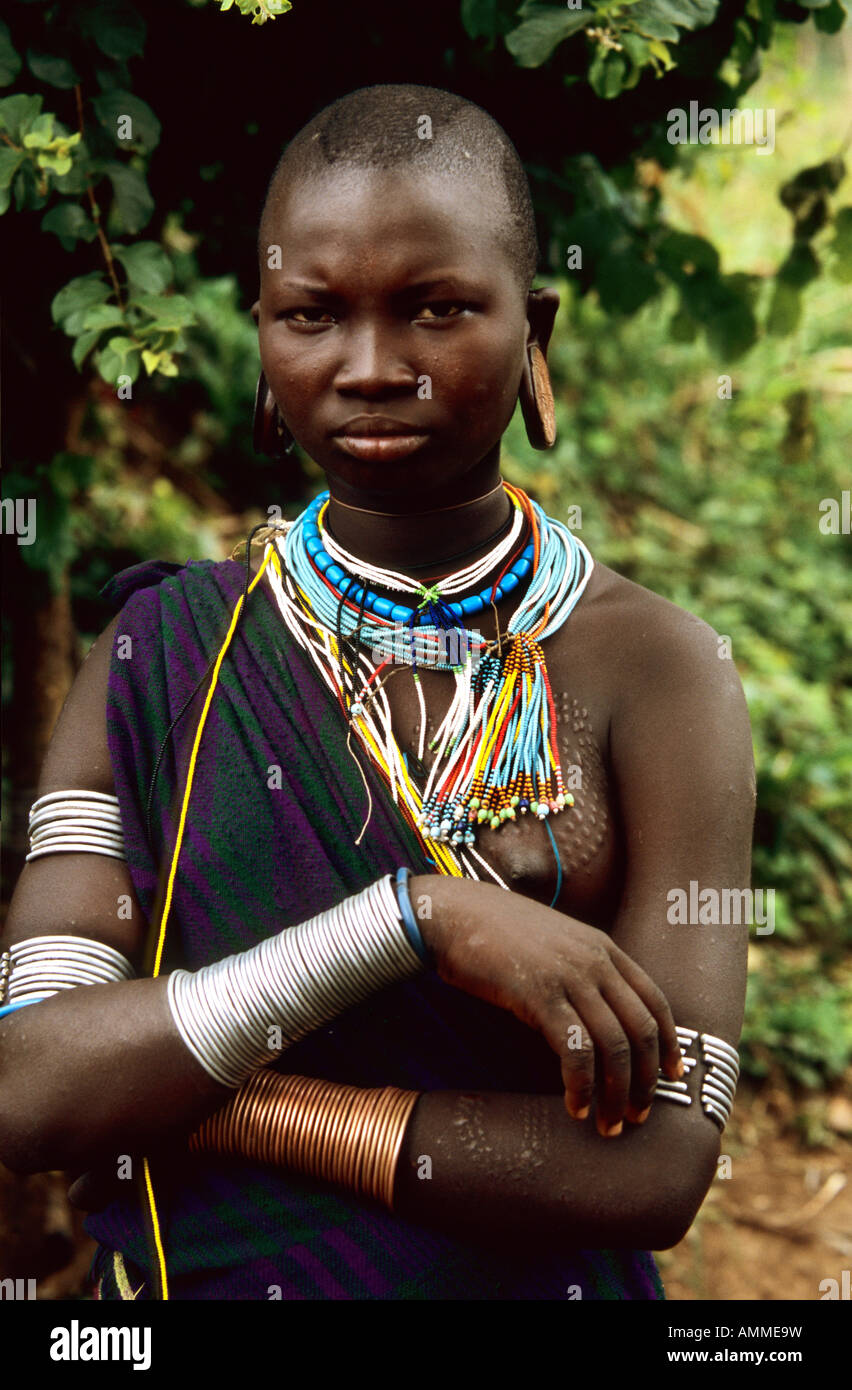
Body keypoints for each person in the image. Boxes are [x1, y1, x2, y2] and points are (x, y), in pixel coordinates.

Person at [0, 84, 755, 1301]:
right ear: (262, 334)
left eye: (436, 309)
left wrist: (208, 1101)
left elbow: (657, 1166)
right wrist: (412, 920)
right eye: (312, 315)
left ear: (534, 326)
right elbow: (29, 1087)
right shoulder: (159, 651)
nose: (367, 367)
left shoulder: (659, 672)